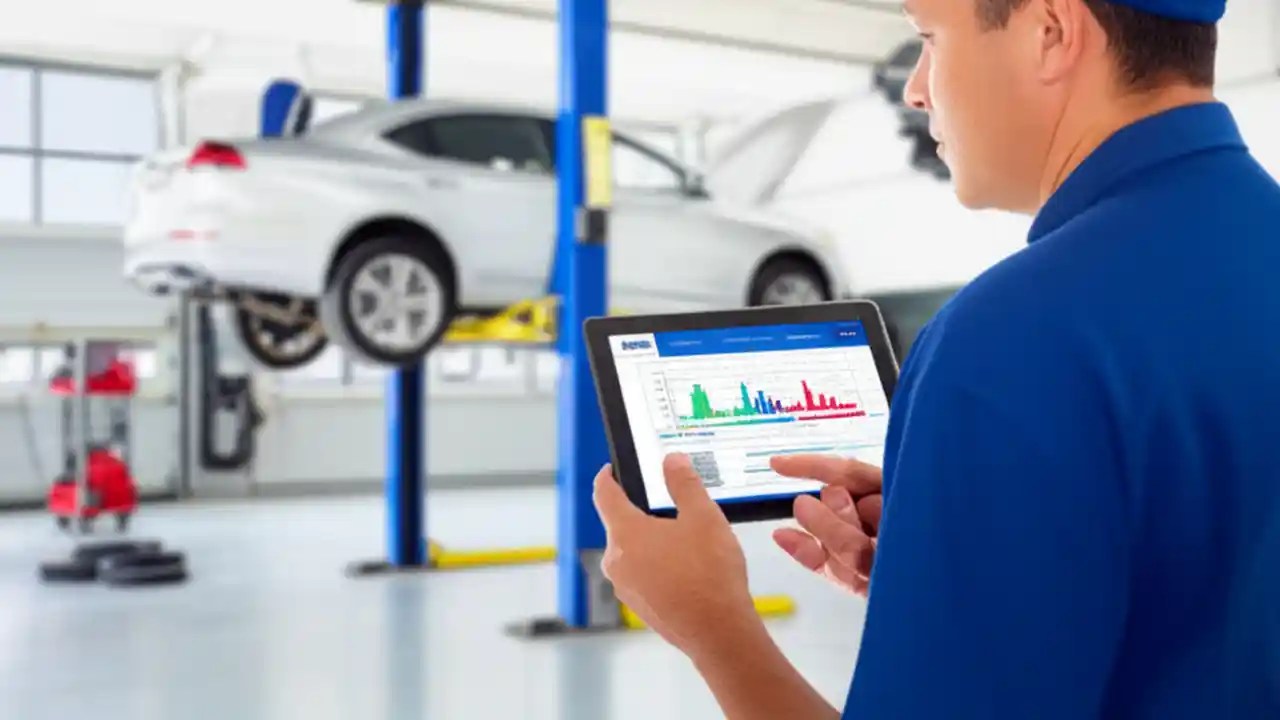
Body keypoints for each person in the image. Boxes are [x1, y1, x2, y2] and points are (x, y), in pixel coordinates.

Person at [592, 0, 1280, 716]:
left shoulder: (1013, 339)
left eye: (929, 39)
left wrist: (712, 624)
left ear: (1050, 32)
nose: (916, 89)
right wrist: (961, 560)